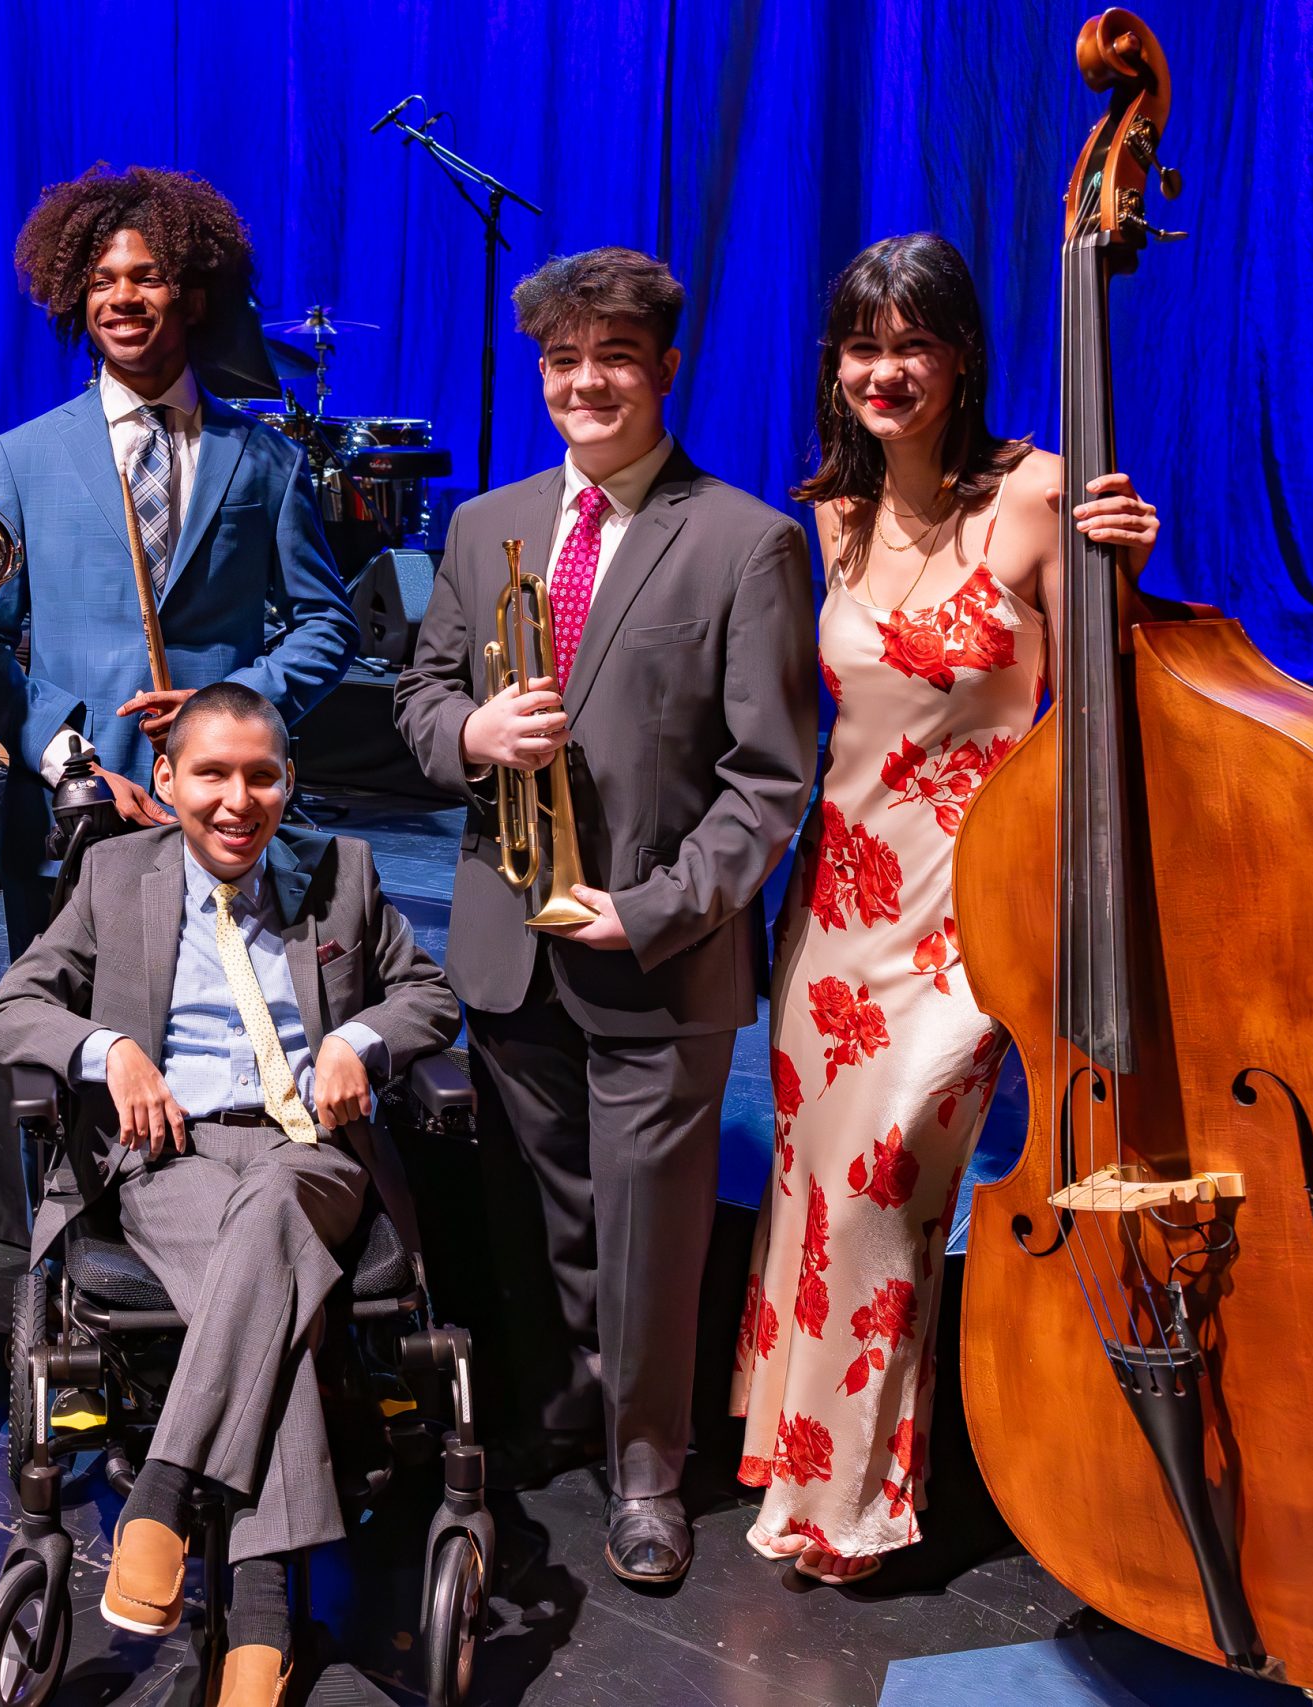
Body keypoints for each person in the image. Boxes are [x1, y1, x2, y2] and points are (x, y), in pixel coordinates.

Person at [729, 232, 1159, 1586]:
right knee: (814, 1189)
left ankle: (850, 1500)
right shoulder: (832, 512)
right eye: (862, 345)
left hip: (971, 911)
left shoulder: (1039, 493)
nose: (884, 369)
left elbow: (1106, 698)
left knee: (879, 1187)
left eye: (911, 343)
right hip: (835, 909)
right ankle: (796, 1454)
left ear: (962, 353)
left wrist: (1128, 572)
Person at [394, 248, 818, 1585]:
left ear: (664, 370)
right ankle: (572, 1404)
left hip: (654, 948)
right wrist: (467, 726)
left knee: (652, 1219)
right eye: (563, 361)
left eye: (613, 359)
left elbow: (771, 778)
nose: (586, 383)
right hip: (508, 946)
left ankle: (649, 1461)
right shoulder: (482, 522)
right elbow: (415, 696)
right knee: (548, 1211)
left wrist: (652, 906)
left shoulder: (747, 541)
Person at [0, 683, 460, 1704]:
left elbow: (427, 993)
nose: (237, 801)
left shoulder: (343, 874)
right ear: (166, 779)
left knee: (278, 1204)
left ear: (287, 782)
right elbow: (12, 1007)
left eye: (261, 776)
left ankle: (163, 1495)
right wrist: (106, 1052)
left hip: (306, 1154)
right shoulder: (115, 875)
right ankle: (260, 1611)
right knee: (270, 1292)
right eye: (211, 775)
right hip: (173, 1159)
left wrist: (355, 1038)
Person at [0, 164, 358, 957]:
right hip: (67, 820)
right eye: (103, 280)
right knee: (73, 1053)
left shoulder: (264, 460)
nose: (123, 298)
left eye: (148, 277)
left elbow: (326, 622)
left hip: (224, 813)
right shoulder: (21, 456)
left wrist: (231, 706)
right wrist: (69, 760)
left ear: (196, 296)